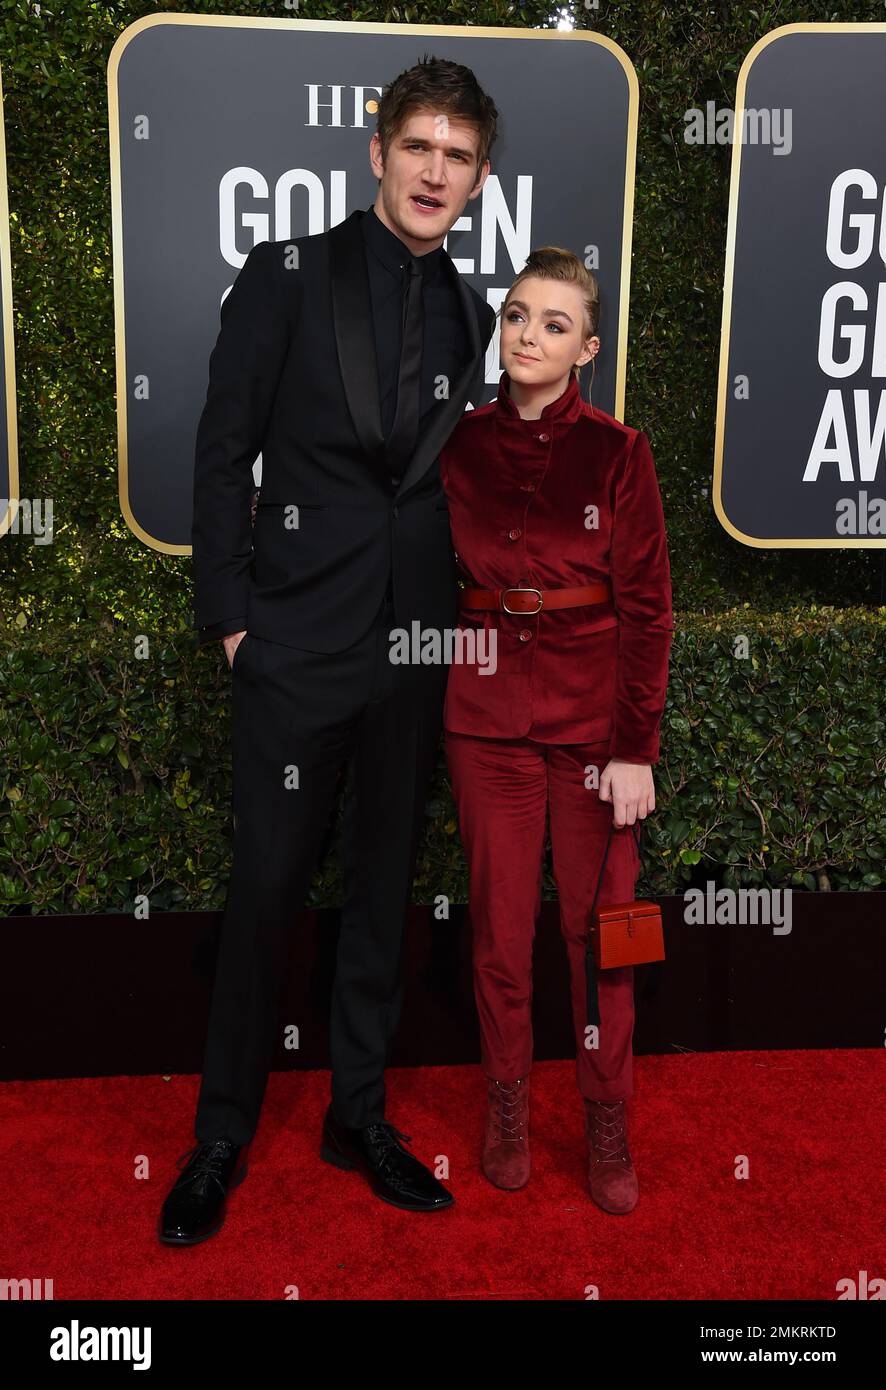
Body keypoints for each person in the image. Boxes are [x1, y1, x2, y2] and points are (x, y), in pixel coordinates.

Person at [159, 56, 499, 1245]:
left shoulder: (471, 309)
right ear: (378, 152)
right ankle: (220, 1132)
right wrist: (233, 619)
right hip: (295, 638)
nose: (435, 172)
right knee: (263, 890)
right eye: (420, 147)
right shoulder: (286, 274)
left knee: (382, 889)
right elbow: (219, 451)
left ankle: (358, 1112)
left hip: (413, 641)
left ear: (477, 178)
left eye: (458, 157)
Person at [440, 248, 673, 1214]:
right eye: (516, 315)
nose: (527, 335)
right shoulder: (456, 446)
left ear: (588, 345)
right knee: (499, 933)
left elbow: (651, 609)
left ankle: (606, 1116)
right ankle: (506, 1104)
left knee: (605, 935)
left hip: (593, 734)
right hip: (486, 721)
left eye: (553, 323)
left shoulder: (620, 452)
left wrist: (635, 751)